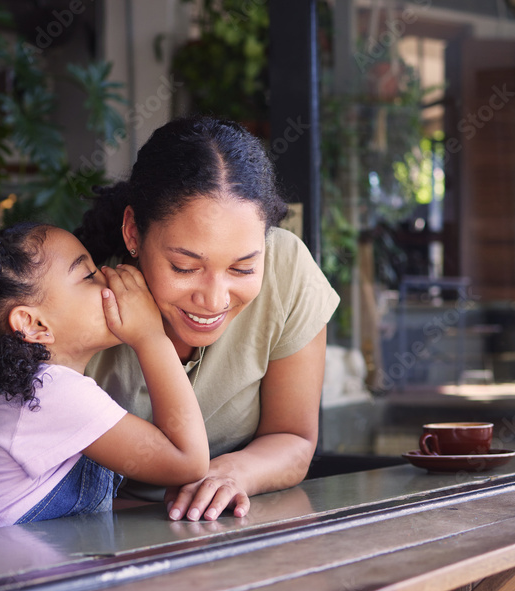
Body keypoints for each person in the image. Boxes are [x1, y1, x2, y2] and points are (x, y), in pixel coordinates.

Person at [75, 116, 340, 523]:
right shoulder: (82, 304)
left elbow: (294, 438)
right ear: (133, 232)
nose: (214, 300)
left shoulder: (286, 268)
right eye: (184, 267)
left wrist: (233, 473)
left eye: (243, 268)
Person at [0, 222, 209, 537]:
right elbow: (188, 461)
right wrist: (151, 336)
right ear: (33, 324)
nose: (109, 276)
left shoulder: (46, 389)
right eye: (88, 275)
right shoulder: (53, 392)